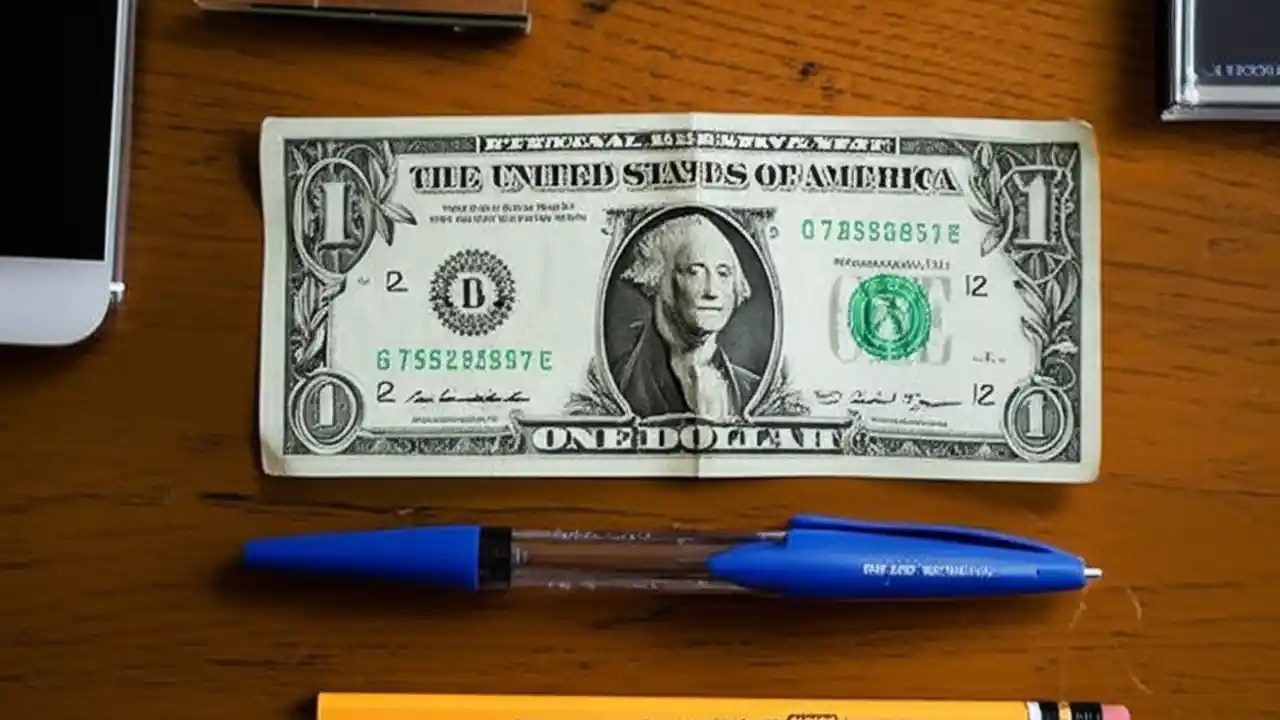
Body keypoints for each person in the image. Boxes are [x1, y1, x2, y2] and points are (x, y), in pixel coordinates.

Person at [609, 213, 762, 420]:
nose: (712, 291)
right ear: (655, 278)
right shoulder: (616, 387)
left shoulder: (753, 390)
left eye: (723, 273)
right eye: (694, 272)